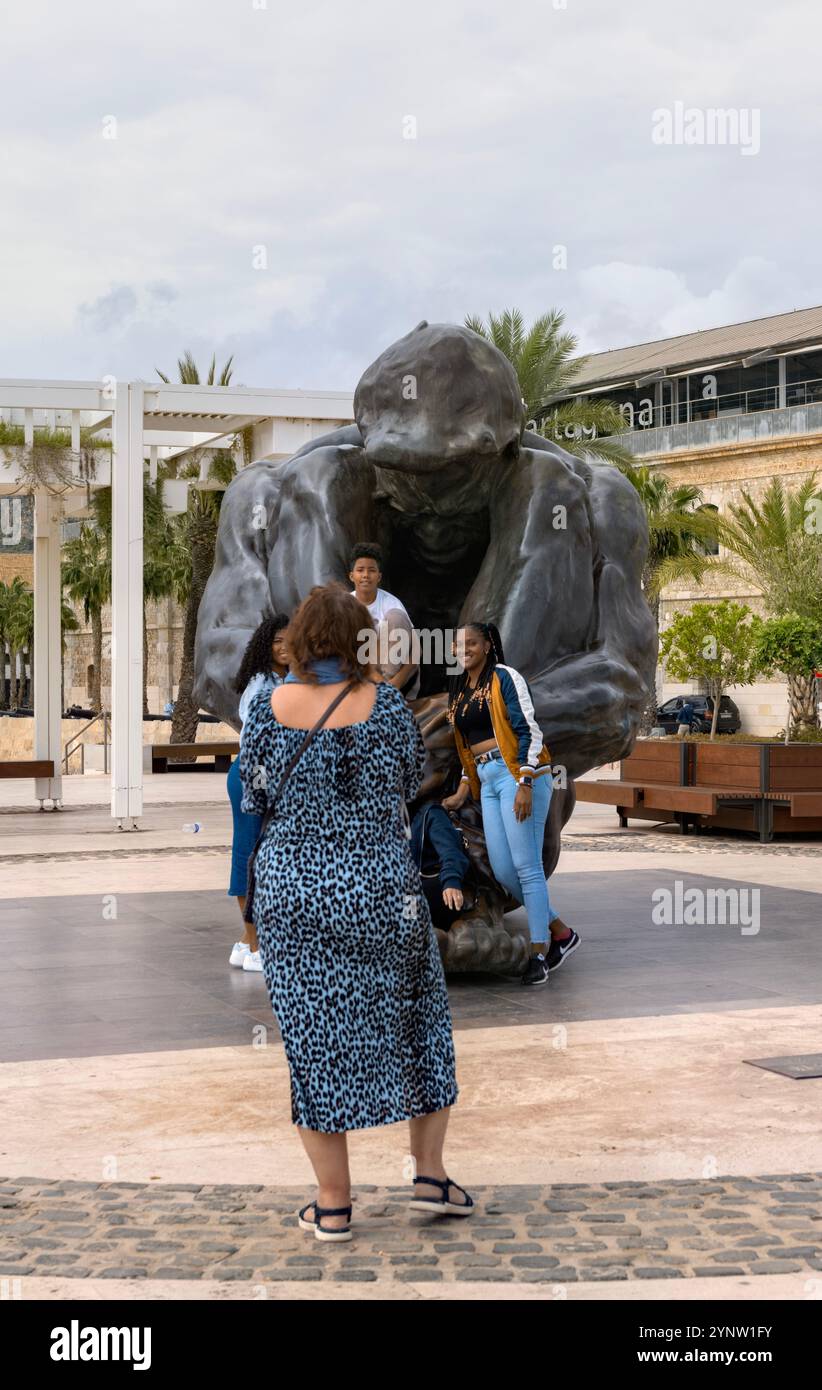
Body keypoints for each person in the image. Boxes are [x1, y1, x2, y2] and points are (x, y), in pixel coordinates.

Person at [239, 583, 472, 1240]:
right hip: (381, 891)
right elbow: (408, 785)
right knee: (420, 1026)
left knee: (314, 1043)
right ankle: (429, 1177)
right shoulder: (391, 709)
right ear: (360, 641)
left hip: (295, 892)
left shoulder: (267, 708)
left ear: (302, 639)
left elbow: (255, 796)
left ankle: (334, 1202)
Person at [442, 622, 580, 987]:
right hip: (487, 780)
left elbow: (529, 730)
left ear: (487, 645)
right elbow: (465, 745)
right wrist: (465, 784)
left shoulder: (504, 677)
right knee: (502, 870)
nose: (465, 649)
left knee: (527, 866)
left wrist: (525, 781)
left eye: (472, 642)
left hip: (517, 775)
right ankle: (562, 933)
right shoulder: (459, 687)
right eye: (460, 645)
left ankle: (539, 953)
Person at [227, 615, 289, 973]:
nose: (284, 647)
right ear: (266, 644)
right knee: (248, 856)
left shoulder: (288, 680)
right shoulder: (262, 683)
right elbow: (256, 738)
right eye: (278, 641)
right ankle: (253, 944)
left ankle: (246, 943)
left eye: (290, 640)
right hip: (254, 774)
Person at [349, 541, 419, 696]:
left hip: (393, 676)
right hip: (359, 674)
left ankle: (383, 694)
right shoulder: (345, 605)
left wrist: (393, 684)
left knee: (396, 617)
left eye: (371, 570)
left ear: (379, 576)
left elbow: (415, 652)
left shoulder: (392, 604)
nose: (366, 575)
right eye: (360, 570)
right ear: (351, 576)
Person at [410, 799, 472, 932]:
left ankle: (408, 929)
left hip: (440, 887)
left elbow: (450, 851)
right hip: (407, 888)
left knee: (408, 895)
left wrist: (451, 880)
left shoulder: (431, 813)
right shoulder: (388, 818)